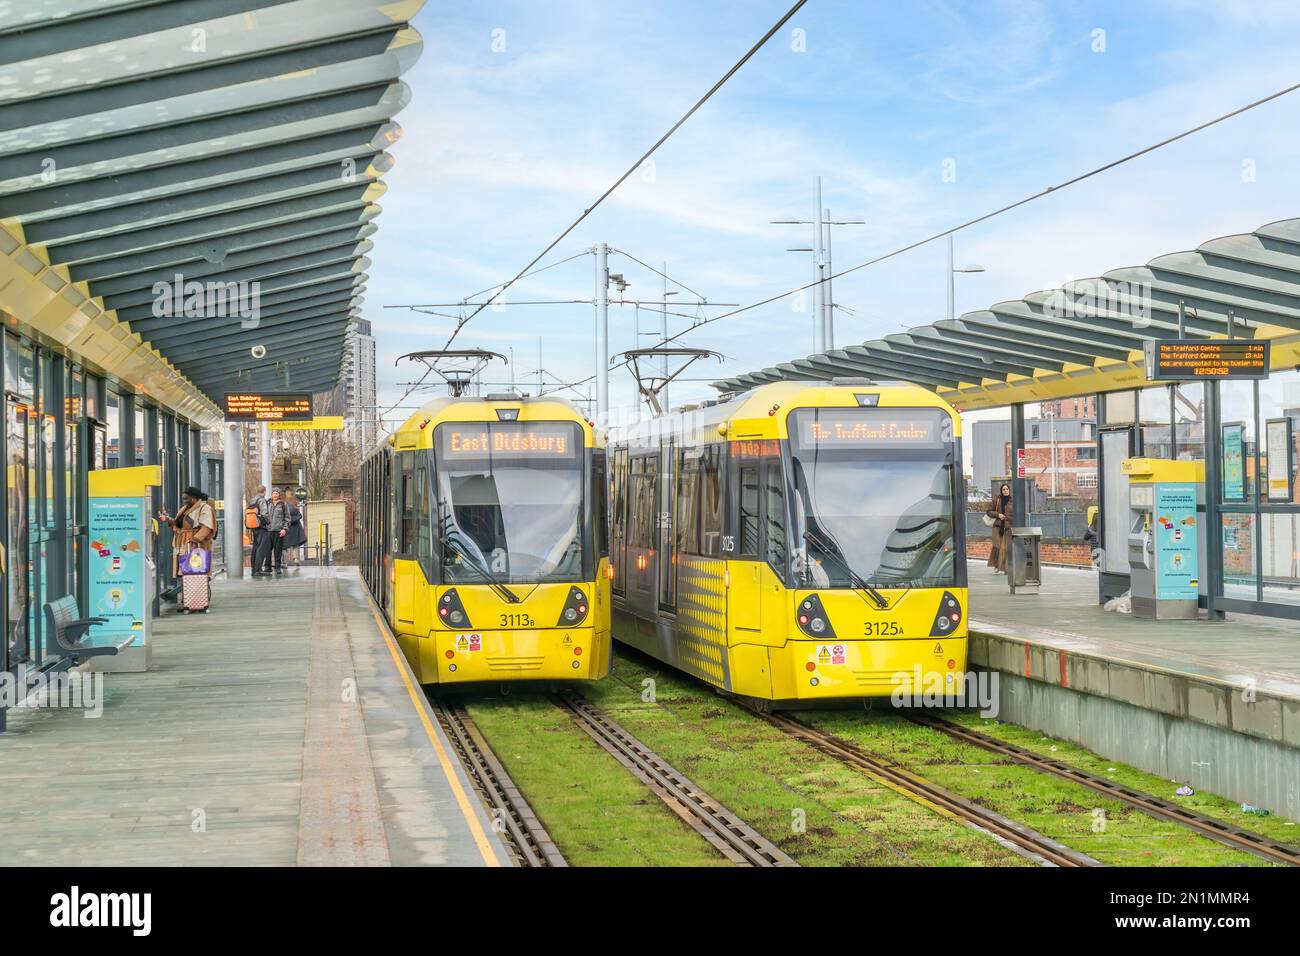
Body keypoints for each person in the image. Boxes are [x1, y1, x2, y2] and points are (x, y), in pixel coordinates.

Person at [986, 482, 1014, 573]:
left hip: (1008, 527)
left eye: (1007, 489)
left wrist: (1007, 517)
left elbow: (1016, 514)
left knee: (1005, 547)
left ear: (1009, 490)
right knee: (997, 546)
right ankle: (996, 564)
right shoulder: (997, 500)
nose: (1005, 491)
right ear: (1001, 491)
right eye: (1003, 489)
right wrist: (998, 515)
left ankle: (1005, 567)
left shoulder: (1013, 501)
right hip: (998, 526)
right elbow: (989, 511)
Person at [250, 484, 273, 577]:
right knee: (261, 549)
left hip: (254, 527)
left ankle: (253, 569)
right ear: (264, 491)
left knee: (255, 548)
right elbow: (264, 513)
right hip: (262, 527)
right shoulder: (262, 500)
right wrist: (269, 523)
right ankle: (258, 570)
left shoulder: (253, 500)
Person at [269, 487, 288, 574]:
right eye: (274, 493)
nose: (275, 495)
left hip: (278, 531)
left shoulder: (283, 505)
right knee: (267, 551)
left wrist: (284, 529)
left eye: (277, 493)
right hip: (268, 531)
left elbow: (287, 518)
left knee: (278, 551)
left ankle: (278, 567)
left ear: (279, 495)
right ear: (271, 494)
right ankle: (267, 567)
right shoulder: (267, 503)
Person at [283, 492, 306, 565]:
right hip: (295, 530)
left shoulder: (283, 510)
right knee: (295, 545)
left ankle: (285, 562)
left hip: (286, 529)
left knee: (284, 547)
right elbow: (299, 516)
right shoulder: (294, 509)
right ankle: (295, 558)